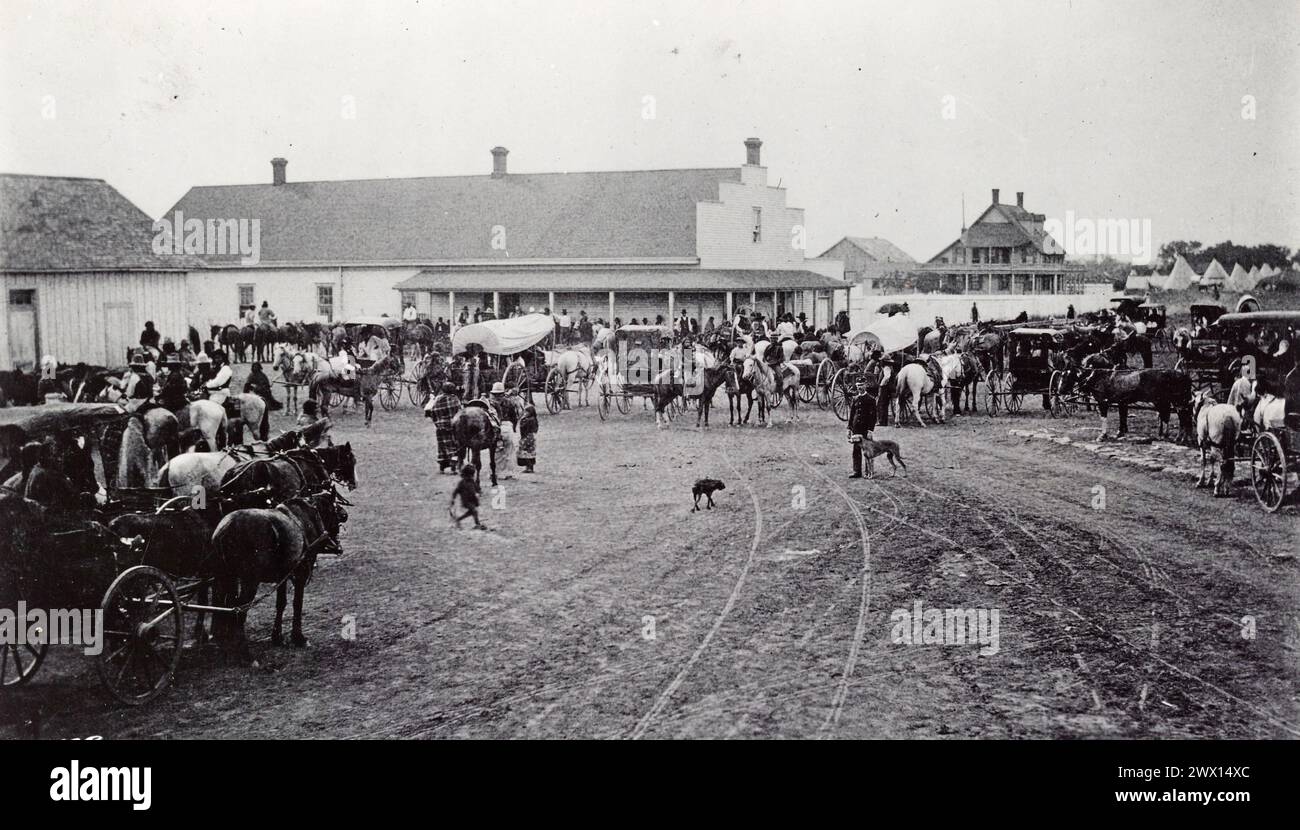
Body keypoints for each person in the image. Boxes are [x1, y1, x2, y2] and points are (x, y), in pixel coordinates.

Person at [424, 382, 463, 473]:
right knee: (453, 446)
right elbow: (459, 412)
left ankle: (442, 467)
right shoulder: (455, 399)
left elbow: (432, 412)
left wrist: (437, 423)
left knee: (442, 446)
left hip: (440, 427)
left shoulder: (437, 399)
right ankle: (453, 468)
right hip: (452, 426)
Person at [847, 384, 879, 479]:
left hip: (865, 430)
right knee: (856, 450)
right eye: (857, 386)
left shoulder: (871, 399)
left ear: (865, 386)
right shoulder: (855, 399)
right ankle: (857, 471)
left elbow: (873, 416)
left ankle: (868, 472)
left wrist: (870, 430)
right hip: (856, 429)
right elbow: (852, 414)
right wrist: (849, 428)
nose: (859, 387)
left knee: (867, 451)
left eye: (861, 385)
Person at [450, 463, 485, 529]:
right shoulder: (462, 483)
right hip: (466, 501)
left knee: (472, 512)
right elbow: (456, 491)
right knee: (474, 511)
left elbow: (477, 488)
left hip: (473, 500)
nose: (471, 477)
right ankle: (477, 524)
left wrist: (479, 492)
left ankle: (458, 519)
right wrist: (453, 499)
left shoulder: (472, 482)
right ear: (465, 475)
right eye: (470, 475)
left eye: (472, 475)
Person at [516, 403, 539, 473]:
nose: (525, 413)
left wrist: (522, 419)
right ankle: (530, 467)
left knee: (526, 452)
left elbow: (523, 427)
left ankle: (529, 467)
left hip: (527, 437)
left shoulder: (528, 420)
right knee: (530, 452)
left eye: (527, 412)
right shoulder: (533, 419)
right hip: (531, 437)